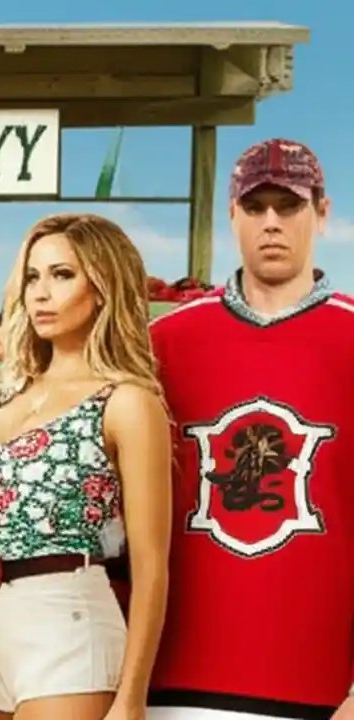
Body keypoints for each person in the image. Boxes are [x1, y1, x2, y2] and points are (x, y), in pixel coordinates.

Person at [148, 139, 354, 720]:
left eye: (288, 206)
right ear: (232, 215)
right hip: (176, 684)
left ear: (322, 213)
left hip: (321, 690)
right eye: (255, 205)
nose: (271, 222)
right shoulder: (163, 344)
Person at [0, 213, 172, 720]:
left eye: (62, 275)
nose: (41, 293)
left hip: (71, 631)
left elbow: (152, 565)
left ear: (102, 287)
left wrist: (132, 697)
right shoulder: (5, 395)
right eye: (33, 277)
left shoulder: (126, 401)